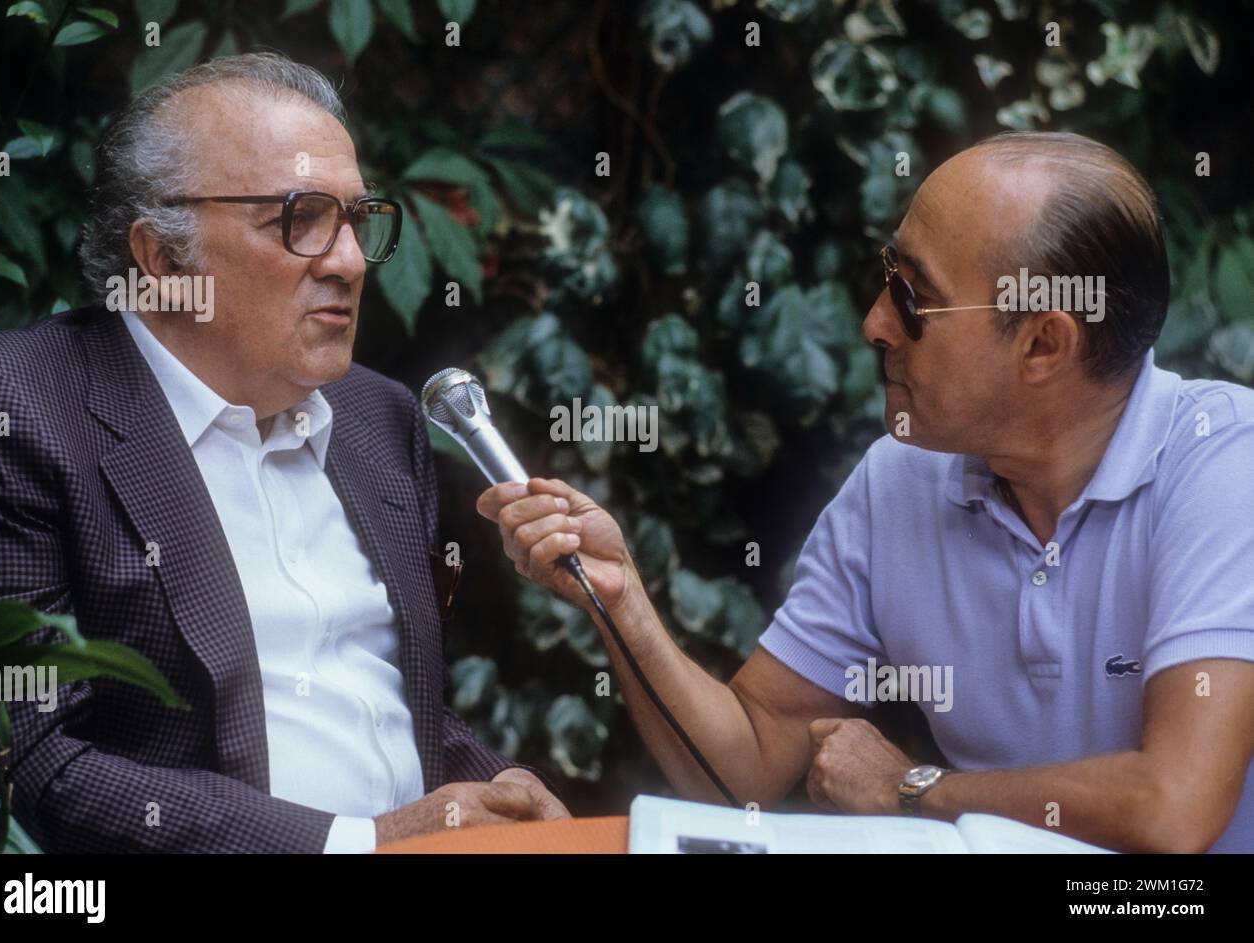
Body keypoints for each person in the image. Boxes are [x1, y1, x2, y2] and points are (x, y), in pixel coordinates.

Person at [479, 132, 1254, 853]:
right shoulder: (903, 478)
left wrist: (913, 789)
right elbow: (746, 763)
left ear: (1044, 343)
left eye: (915, 298)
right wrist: (621, 604)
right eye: (888, 279)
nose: (875, 321)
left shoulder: (1219, 461)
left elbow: (1174, 805)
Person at [0, 53, 566, 854]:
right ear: (164, 257)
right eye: (300, 218)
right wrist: (363, 844)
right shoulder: (18, 404)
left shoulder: (379, 416)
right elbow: (29, 756)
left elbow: (389, 707)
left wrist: (502, 794)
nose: (347, 259)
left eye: (356, 218)